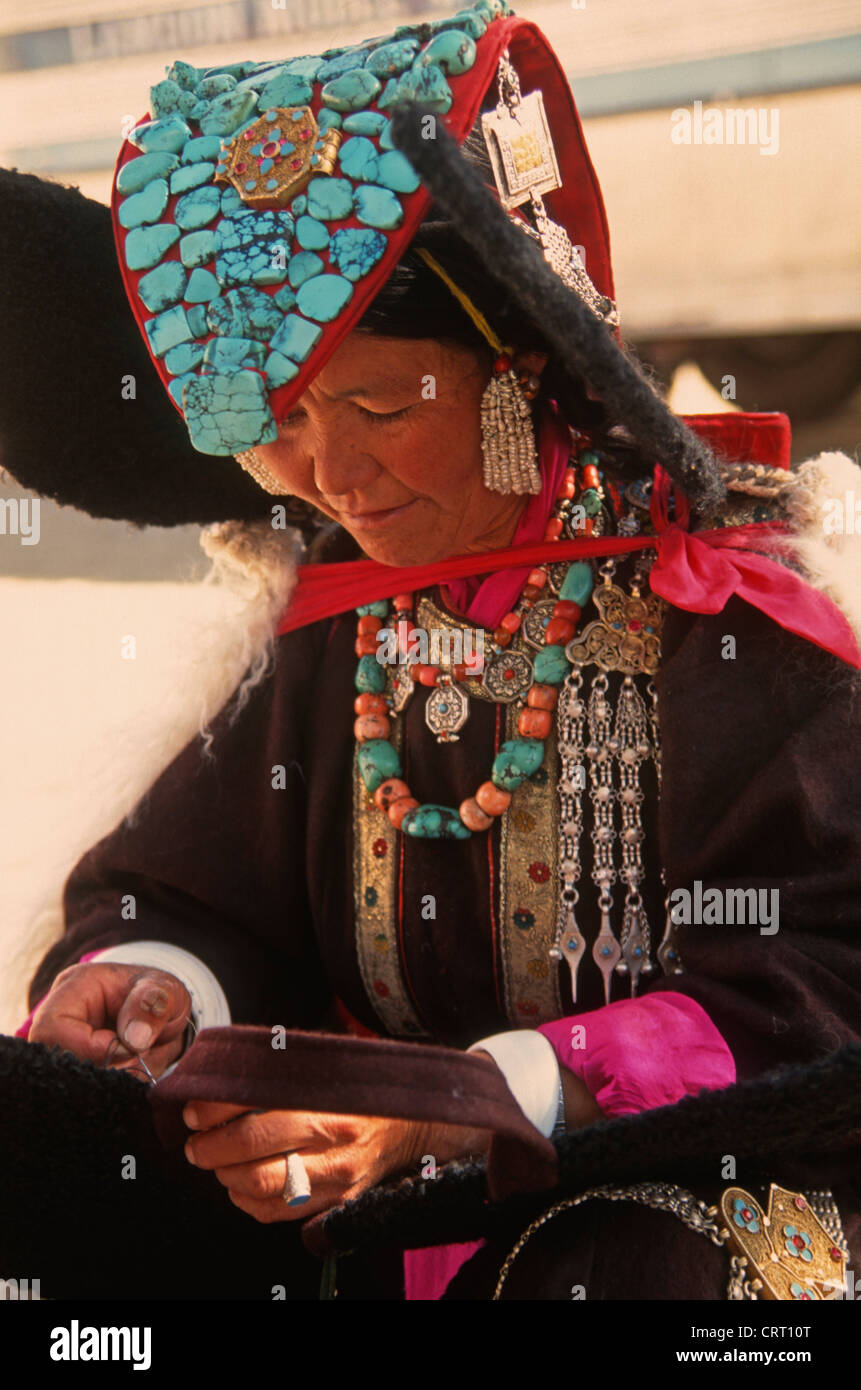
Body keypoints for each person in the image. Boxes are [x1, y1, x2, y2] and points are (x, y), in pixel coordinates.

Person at [4, 0, 861, 1300]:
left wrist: (456, 1104)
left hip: (689, 1184)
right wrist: (149, 988)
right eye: (284, 418)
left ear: (516, 368)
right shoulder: (337, 619)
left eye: (373, 400)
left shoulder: (722, 612)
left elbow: (815, 980)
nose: (332, 475)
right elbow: (183, 887)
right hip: (372, 1191)